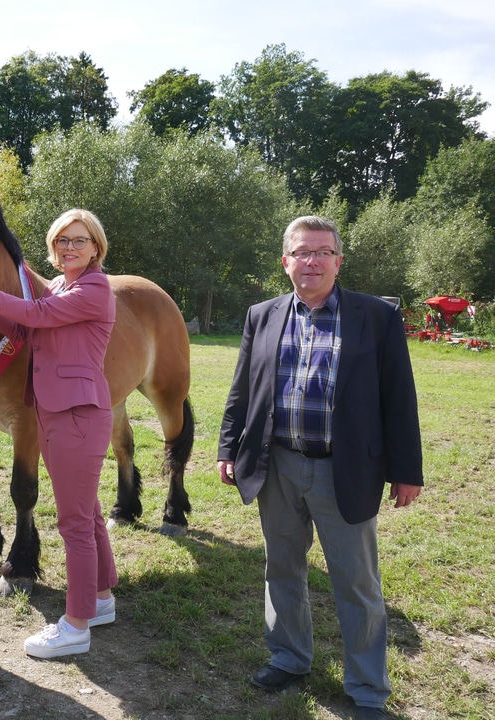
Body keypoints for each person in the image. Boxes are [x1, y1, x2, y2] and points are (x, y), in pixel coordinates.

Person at [216, 216, 423, 720]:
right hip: (277, 465)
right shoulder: (261, 315)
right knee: (282, 569)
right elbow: (243, 389)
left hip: (346, 470)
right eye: (302, 252)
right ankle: (289, 658)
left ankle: (368, 689)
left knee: (356, 583)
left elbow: (400, 398)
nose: (312, 261)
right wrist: (228, 447)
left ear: (338, 261)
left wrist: (407, 469)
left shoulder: (376, 317)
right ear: (285, 261)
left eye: (323, 252)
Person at [0, 208, 119, 659]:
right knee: (86, 514)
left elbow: (37, 313)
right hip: (58, 411)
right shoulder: (67, 286)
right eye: (62, 240)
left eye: (79, 240)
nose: (70, 247)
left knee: (73, 524)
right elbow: (27, 328)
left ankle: (76, 624)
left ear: (96, 247)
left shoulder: (93, 287)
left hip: (75, 413)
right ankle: (101, 599)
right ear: (52, 247)